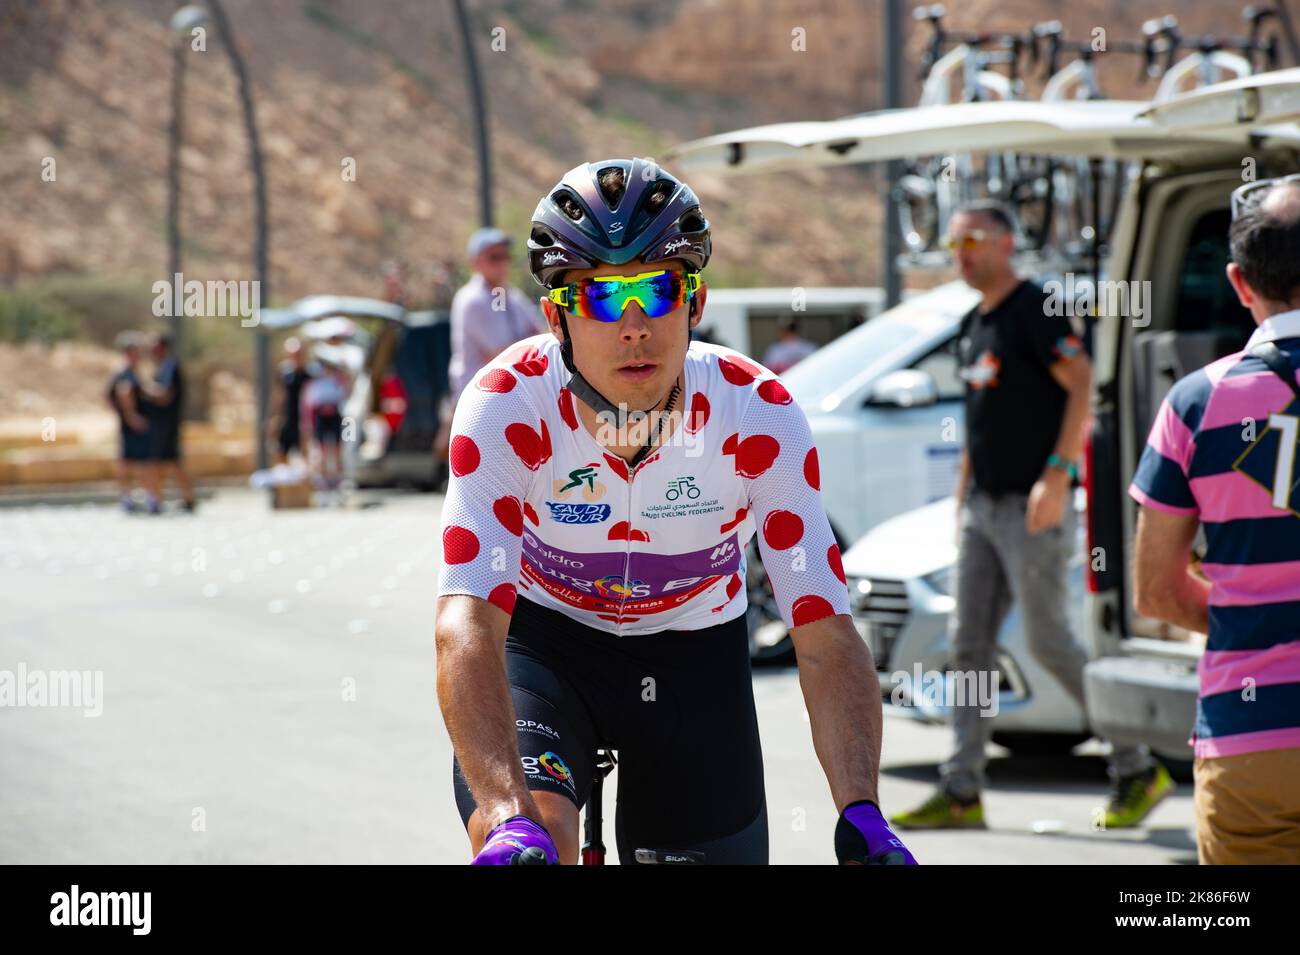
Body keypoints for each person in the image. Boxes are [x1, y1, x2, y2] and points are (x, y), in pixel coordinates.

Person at [435, 158, 915, 865]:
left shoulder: (757, 413)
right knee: (541, 839)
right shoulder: (507, 404)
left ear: (694, 302)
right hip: (545, 648)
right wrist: (507, 814)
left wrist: (864, 810)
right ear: (557, 316)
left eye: (657, 290)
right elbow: (467, 621)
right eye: (602, 297)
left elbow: (822, 628)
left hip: (694, 656)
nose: (634, 327)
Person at [892, 200, 1170, 831]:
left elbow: (1082, 382)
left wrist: (1059, 473)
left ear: (1007, 244)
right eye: (955, 241)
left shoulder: (1036, 309)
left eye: (975, 240)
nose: (962, 252)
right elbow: (979, 421)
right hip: (984, 509)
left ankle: (1135, 767)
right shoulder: (973, 322)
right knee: (969, 649)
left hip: (1032, 505)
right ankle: (961, 789)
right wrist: (963, 495)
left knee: (1049, 641)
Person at [1130, 176, 1300, 864]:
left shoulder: (1195, 403)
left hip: (1249, 739)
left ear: (1238, 282)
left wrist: (1250, 613)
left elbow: (1156, 592)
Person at [433, 228, 545, 487]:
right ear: (475, 262)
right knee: (480, 480)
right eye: (494, 257)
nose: (502, 263)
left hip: (509, 395)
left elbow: (540, 335)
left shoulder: (510, 295)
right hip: (480, 400)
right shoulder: (472, 299)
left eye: (505, 256)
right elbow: (502, 352)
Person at [140, 333, 195, 513]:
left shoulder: (170, 367)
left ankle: (156, 500)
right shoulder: (163, 367)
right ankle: (182, 498)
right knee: (171, 462)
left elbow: (165, 396)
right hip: (162, 424)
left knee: (157, 461)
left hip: (166, 424)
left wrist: (146, 388)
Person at [107, 331, 151, 513]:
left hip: (129, 422)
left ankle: (131, 495)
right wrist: (131, 415)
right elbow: (123, 392)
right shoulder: (126, 373)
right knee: (132, 461)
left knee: (131, 460)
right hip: (133, 424)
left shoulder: (127, 372)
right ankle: (129, 496)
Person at [300, 347, 351, 496]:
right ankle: (323, 484)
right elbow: (310, 403)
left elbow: (346, 393)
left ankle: (341, 482)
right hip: (321, 417)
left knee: (337, 450)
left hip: (335, 416)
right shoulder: (314, 381)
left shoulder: (337, 379)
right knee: (321, 451)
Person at [270, 337, 313, 466]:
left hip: (304, 420)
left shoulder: (309, 374)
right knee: (281, 452)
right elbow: (278, 396)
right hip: (286, 419)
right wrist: (274, 418)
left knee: (305, 453)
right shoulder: (284, 373)